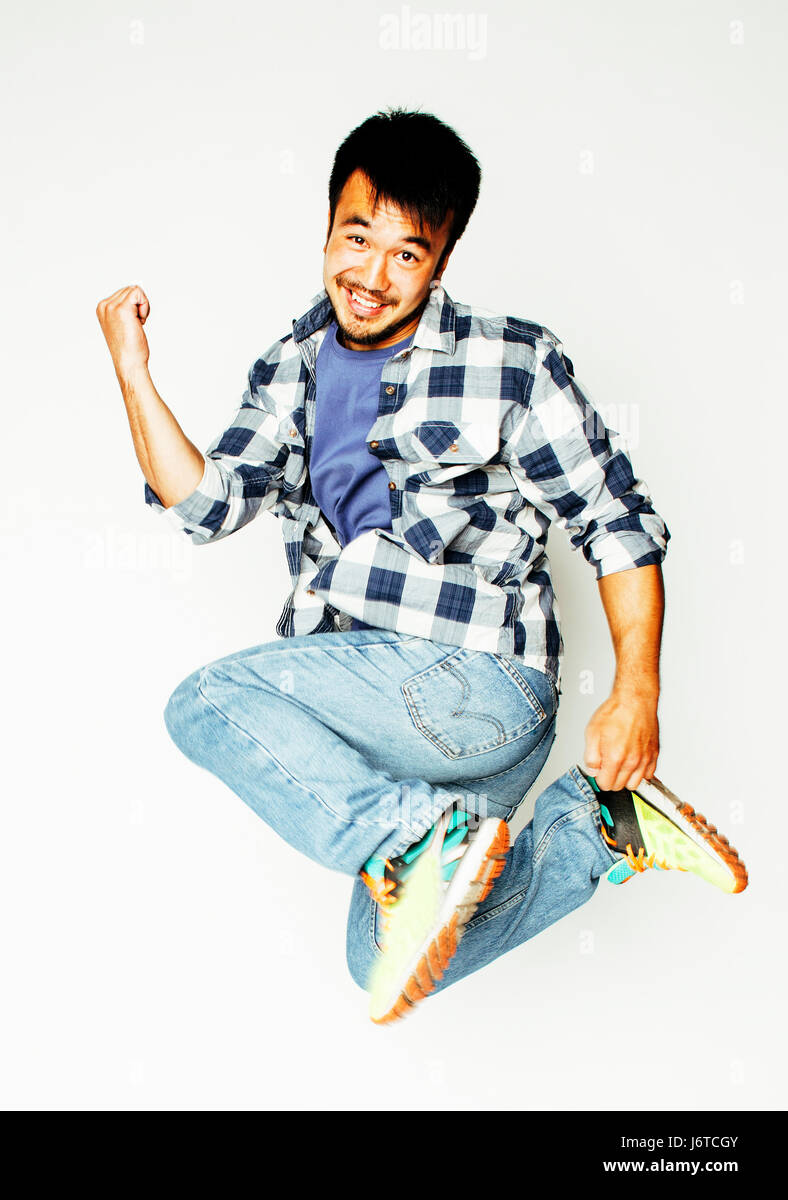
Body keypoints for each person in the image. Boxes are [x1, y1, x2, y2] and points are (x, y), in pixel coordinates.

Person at [95, 107, 747, 1024]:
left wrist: (636, 689)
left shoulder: (511, 362)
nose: (370, 275)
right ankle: (596, 828)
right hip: (393, 722)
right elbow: (205, 506)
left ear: (442, 261)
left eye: (407, 253)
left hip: (476, 682)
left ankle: (418, 831)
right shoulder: (291, 366)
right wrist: (131, 367)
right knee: (383, 963)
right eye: (356, 239)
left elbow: (616, 523)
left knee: (206, 702)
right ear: (328, 228)